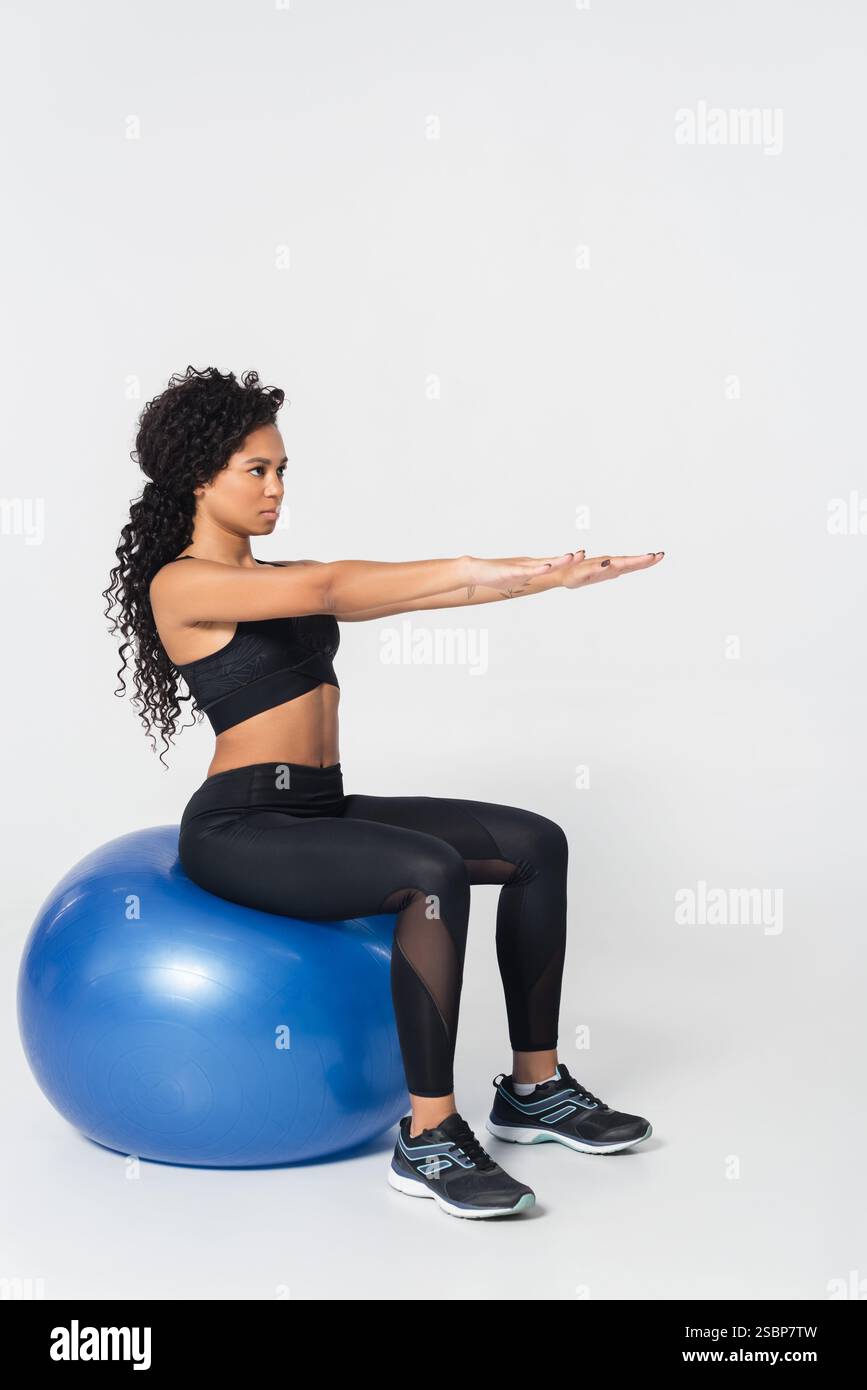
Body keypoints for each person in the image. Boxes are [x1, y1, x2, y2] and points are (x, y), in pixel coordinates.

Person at [103, 365, 664, 1220]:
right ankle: (429, 1136)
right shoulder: (182, 585)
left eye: (283, 469)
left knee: (535, 843)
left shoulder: (285, 574)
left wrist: (547, 574)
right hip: (242, 825)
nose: (275, 487)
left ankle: (534, 1089)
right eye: (256, 469)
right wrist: (501, 570)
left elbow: (431, 588)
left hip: (317, 806)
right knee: (428, 874)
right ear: (197, 478)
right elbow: (332, 588)